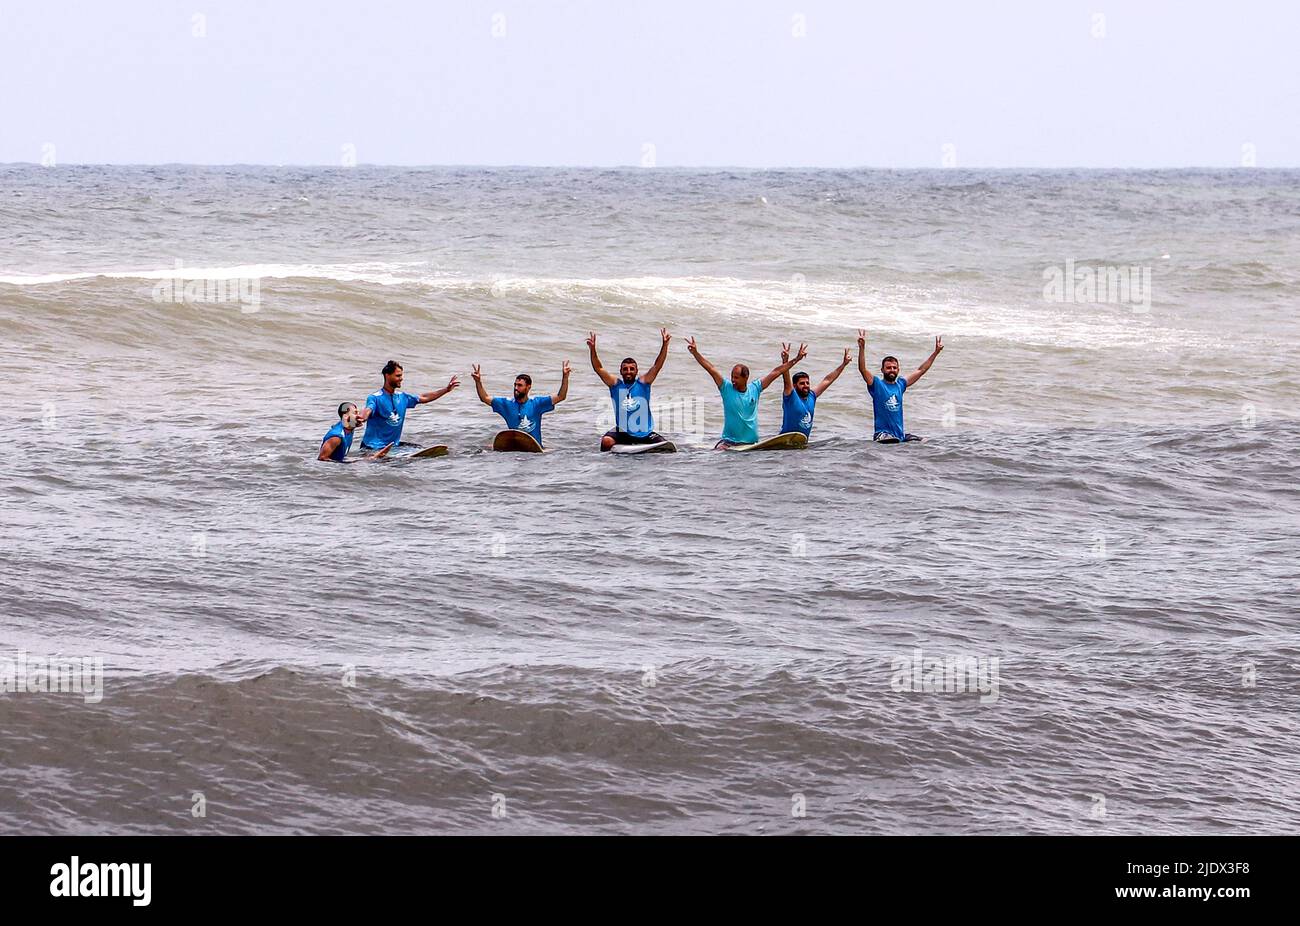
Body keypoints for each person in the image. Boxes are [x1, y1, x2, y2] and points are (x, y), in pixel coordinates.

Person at [686, 337, 805, 448]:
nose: (733, 380)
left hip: (751, 444)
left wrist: (796, 359)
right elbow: (711, 369)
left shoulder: (755, 388)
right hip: (729, 443)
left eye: (736, 377)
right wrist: (695, 353)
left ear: (746, 377)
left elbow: (776, 372)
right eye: (732, 376)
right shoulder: (726, 388)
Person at [586, 328, 671, 451]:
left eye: (632, 369)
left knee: (667, 448)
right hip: (623, 432)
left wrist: (665, 345)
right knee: (606, 442)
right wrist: (593, 350)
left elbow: (657, 365)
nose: (628, 371)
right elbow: (598, 368)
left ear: (636, 371)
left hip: (645, 433)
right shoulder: (615, 385)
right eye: (625, 369)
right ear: (621, 371)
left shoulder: (644, 383)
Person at [857, 329, 944, 443]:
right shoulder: (877, 384)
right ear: (882, 370)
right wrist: (862, 348)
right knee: (892, 442)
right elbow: (862, 369)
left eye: (894, 367)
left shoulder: (900, 385)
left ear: (898, 369)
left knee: (927, 442)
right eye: (888, 368)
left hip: (900, 435)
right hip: (883, 434)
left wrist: (936, 352)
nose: (891, 370)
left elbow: (921, 370)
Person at [359, 360, 459, 452]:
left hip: (392, 447)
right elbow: (368, 409)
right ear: (387, 375)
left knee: (419, 451)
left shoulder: (402, 397)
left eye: (401, 376)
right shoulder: (375, 398)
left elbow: (424, 397)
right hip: (372, 447)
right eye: (398, 376)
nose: (401, 379)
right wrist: (362, 417)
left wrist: (446, 389)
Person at [472, 362, 570, 447]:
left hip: (535, 450)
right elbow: (484, 398)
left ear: (528, 387)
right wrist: (478, 382)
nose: (516, 388)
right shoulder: (507, 404)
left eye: (519, 385)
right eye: (515, 385)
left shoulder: (537, 403)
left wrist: (565, 377)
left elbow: (561, 396)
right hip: (515, 450)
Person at [780, 344, 853, 438]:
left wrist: (843, 364)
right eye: (802, 383)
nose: (806, 385)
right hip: (784, 441)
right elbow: (786, 380)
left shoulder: (811, 395)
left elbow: (828, 380)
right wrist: (785, 361)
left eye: (807, 383)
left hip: (802, 443)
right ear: (794, 385)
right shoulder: (791, 396)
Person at [318, 402, 392, 462]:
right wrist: (352, 463)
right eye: (355, 413)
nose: (359, 416)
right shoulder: (336, 437)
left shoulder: (349, 428)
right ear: (346, 416)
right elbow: (322, 458)